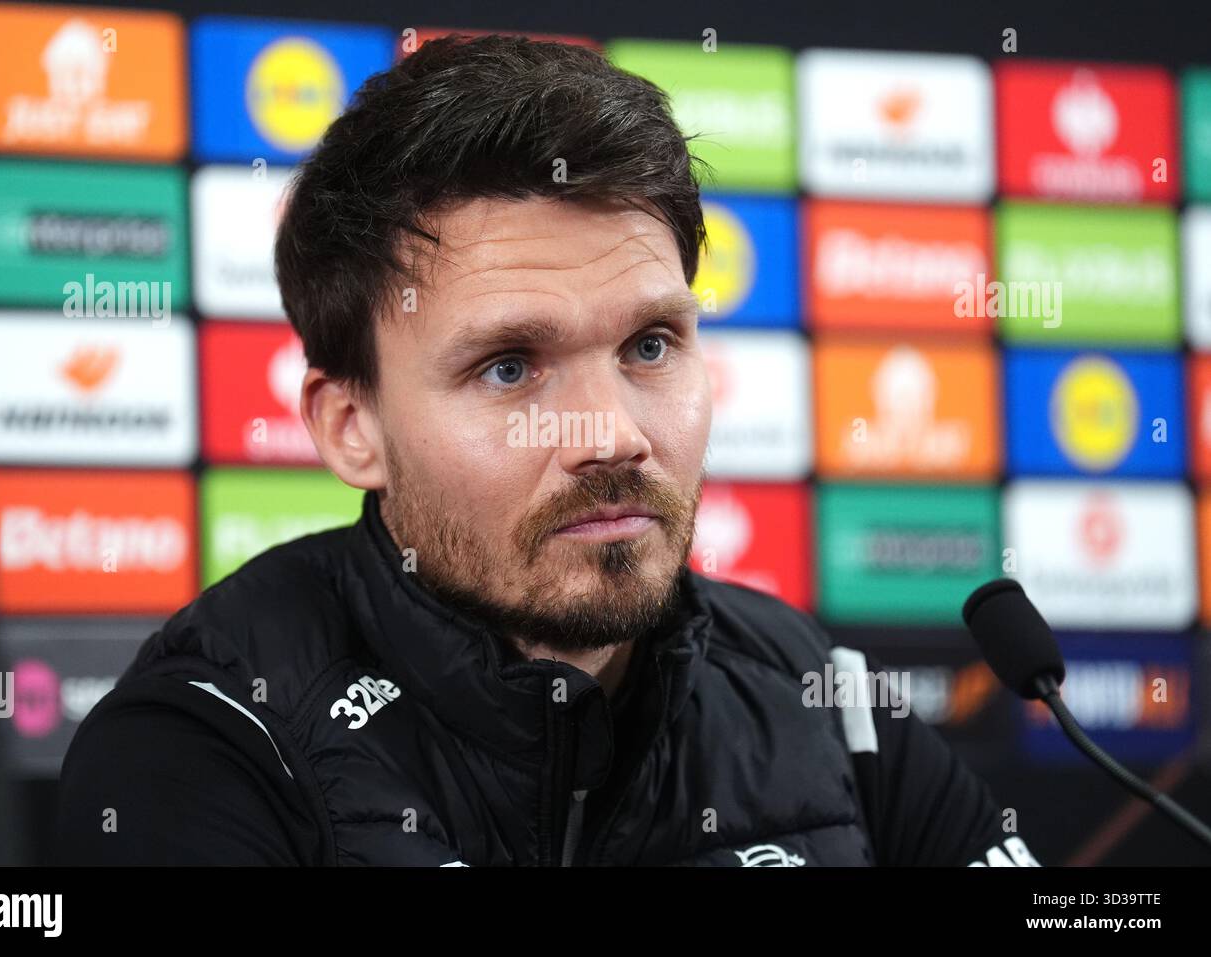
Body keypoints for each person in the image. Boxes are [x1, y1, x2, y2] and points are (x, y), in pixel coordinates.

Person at [57, 34, 1037, 867]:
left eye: (649, 346)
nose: (611, 435)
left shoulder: (820, 695)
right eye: (509, 367)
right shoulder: (207, 742)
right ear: (352, 427)